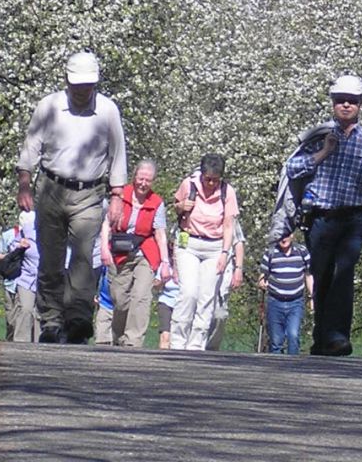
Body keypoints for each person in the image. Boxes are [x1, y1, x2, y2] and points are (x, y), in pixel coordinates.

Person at [16, 51, 128, 344]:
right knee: (50, 256)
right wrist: (24, 183)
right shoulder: (49, 107)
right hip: (51, 188)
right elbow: (31, 146)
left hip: (89, 192)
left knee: (82, 255)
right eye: (77, 85)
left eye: (88, 85)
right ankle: (51, 320)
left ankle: (77, 317)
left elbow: (118, 154)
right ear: (66, 80)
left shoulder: (107, 111)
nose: (82, 91)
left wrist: (117, 195)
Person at [286, 73, 362, 357]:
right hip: (320, 218)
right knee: (322, 276)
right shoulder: (317, 136)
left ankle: (338, 337)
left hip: (353, 219)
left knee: (343, 274)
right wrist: (323, 152)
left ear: (360, 104)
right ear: (332, 103)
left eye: (352, 101)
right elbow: (292, 169)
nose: (346, 106)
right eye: (340, 101)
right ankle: (322, 337)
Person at [169, 154, 239, 351]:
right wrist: (181, 206)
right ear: (201, 175)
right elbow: (176, 207)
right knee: (188, 292)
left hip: (215, 246)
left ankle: (196, 344)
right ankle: (177, 342)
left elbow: (228, 226)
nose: (210, 183)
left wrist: (225, 253)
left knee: (207, 296)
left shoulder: (227, 192)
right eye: (207, 179)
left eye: (215, 180)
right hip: (189, 243)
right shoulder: (188, 185)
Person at [100, 160, 172, 347]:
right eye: (141, 178)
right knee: (121, 301)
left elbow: (160, 233)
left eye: (148, 180)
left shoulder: (157, 203)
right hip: (119, 253)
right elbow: (106, 224)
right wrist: (104, 249)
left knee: (141, 297)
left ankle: (133, 343)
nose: (143, 183)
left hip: (145, 254)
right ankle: (119, 337)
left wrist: (165, 262)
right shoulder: (119, 195)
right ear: (134, 177)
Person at [259, 231, 313, 355]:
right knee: (276, 341)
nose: (284, 239)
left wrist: (312, 297)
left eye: (286, 235)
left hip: (295, 302)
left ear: (292, 235)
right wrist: (262, 282)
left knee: (293, 335)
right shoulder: (270, 253)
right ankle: (276, 370)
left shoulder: (302, 252)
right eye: (280, 236)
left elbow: (309, 275)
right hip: (275, 302)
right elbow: (262, 276)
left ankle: (293, 368)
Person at [206, 219, 245, 351]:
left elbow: (238, 242)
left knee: (219, 315)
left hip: (222, 274)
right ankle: (193, 348)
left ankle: (211, 349)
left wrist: (238, 269)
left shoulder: (230, 216)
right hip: (201, 269)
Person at [7, 210, 41, 342]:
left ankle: (42, 346)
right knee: (26, 309)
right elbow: (12, 247)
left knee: (41, 313)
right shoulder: (28, 229)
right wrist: (20, 246)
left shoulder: (55, 230)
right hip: (26, 278)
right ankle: (21, 343)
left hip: (46, 279)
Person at [0, 223, 22, 340]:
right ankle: (10, 340)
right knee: (10, 316)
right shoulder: (8, 235)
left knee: (23, 312)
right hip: (10, 281)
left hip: (25, 281)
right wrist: (12, 255)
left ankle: (20, 340)